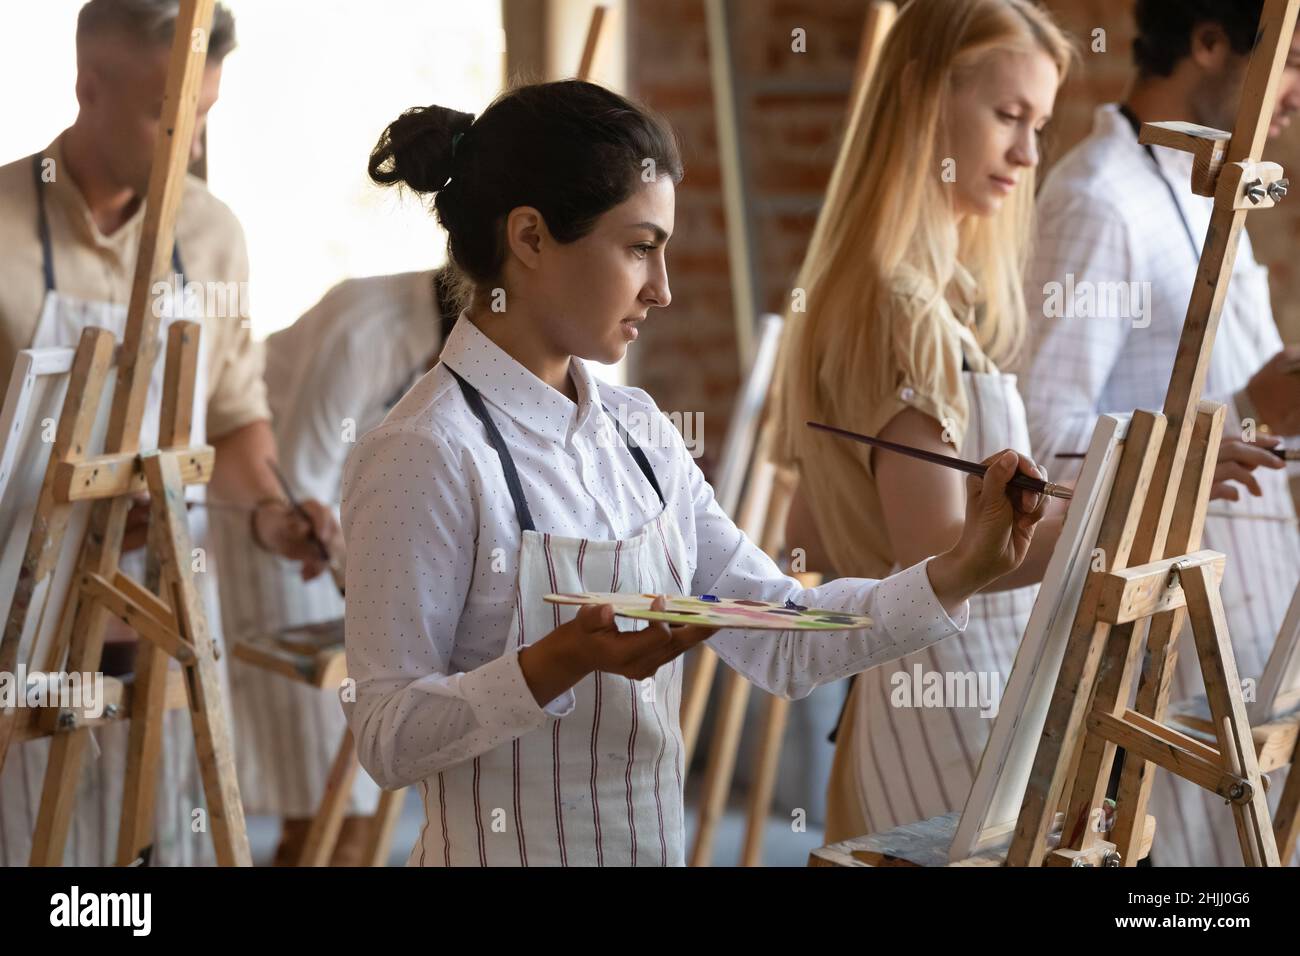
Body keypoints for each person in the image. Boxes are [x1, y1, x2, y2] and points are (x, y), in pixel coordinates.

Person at [341, 78, 1045, 866]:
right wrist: (558, 660)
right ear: (531, 239)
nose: (664, 287)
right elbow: (387, 737)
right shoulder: (425, 452)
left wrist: (957, 570)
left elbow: (780, 632)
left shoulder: (637, 433)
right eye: (640, 247)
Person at [0, 0, 335, 866]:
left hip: (164, 625)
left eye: (205, 117)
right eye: (166, 117)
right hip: (16, 628)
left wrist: (274, 514)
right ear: (87, 86)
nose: (189, 145)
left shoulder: (213, 235)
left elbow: (232, 419)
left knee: (157, 857)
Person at [775, 0, 1074, 845]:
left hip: (922, 712)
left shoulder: (904, 295)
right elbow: (938, 557)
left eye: (1039, 124)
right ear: (922, 100)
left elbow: (812, 531)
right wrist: (1110, 519)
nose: (1027, 151)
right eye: (1008, 115)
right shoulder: (898, 304)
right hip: (942, 725)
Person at [1020, 0, 1300, 865]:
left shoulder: (1204, 179)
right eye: (1288, 61)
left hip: (1248, 610)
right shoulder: (1097, 198)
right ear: (1210, 44)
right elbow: (1039, 449)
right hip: (1169, 641)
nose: (1296, 91)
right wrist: (1244, 409)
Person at [212, 268, 455, 864]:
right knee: (333, 793)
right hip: (264, 532)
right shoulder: (366, 329)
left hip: (331, 551)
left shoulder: (454, 347)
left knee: (351, 803)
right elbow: (301, 491)